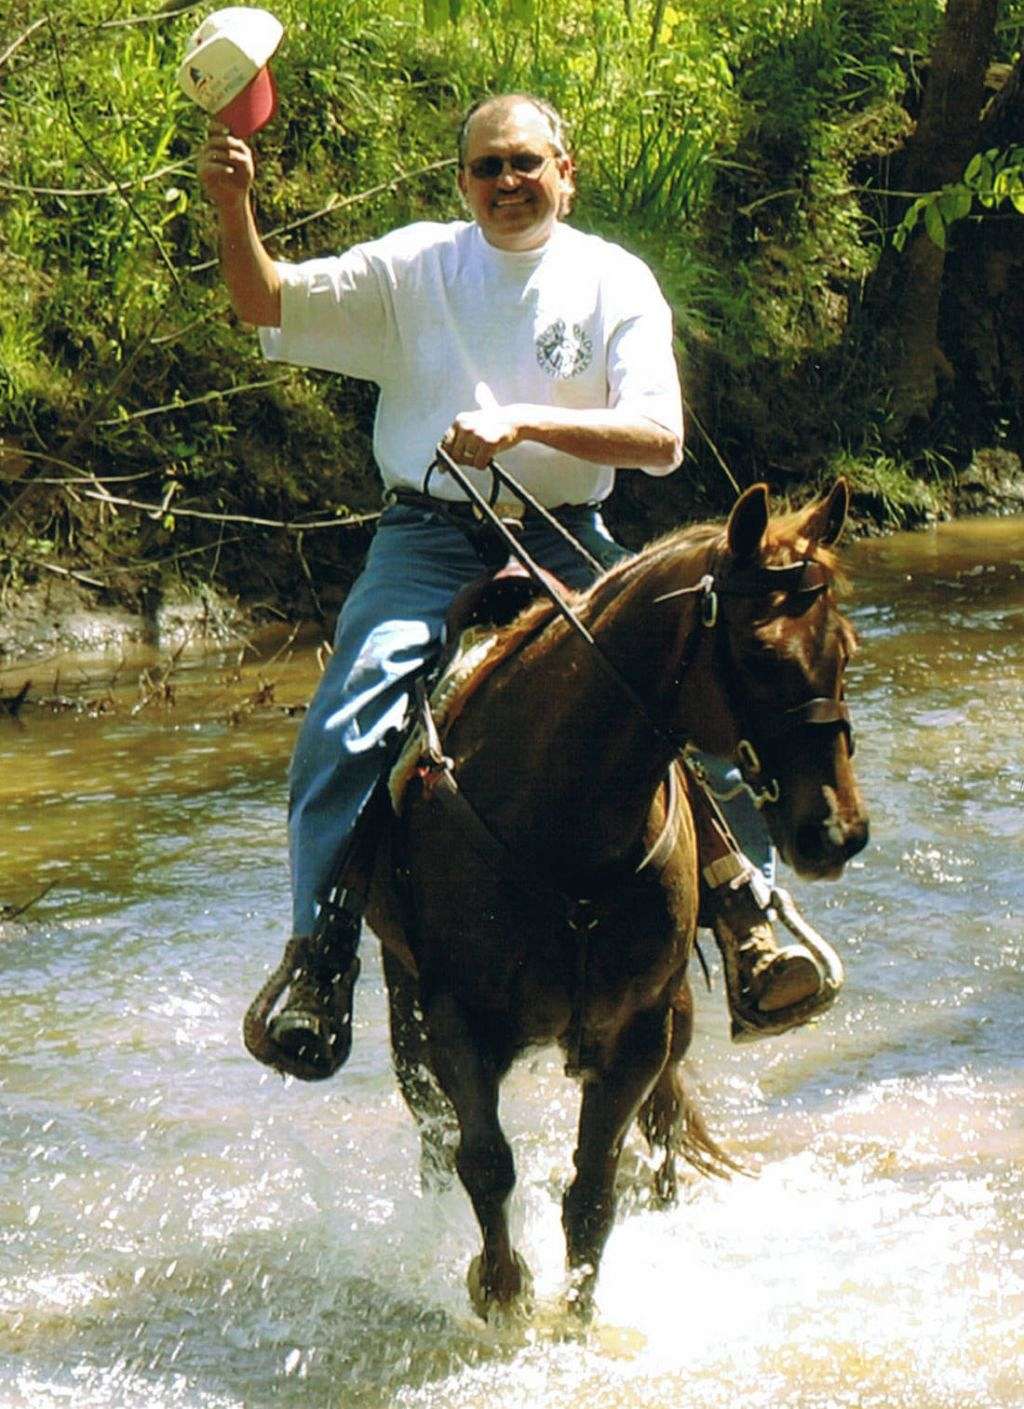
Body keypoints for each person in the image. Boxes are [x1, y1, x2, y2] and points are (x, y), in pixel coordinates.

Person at [198, 92, 841, 1080]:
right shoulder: (414, 264)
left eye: (526, 163)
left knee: (702, 686)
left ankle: (748, 914)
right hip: (427, 534)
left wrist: (524, 424)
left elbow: (659, 439)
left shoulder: (611, 278)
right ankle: (319, 955)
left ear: (565, 173)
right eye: (488, 166)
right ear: (463, 183)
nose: (507, 181)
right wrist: (232, 206)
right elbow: (263, 299)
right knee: (348, 715)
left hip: (565, 530)